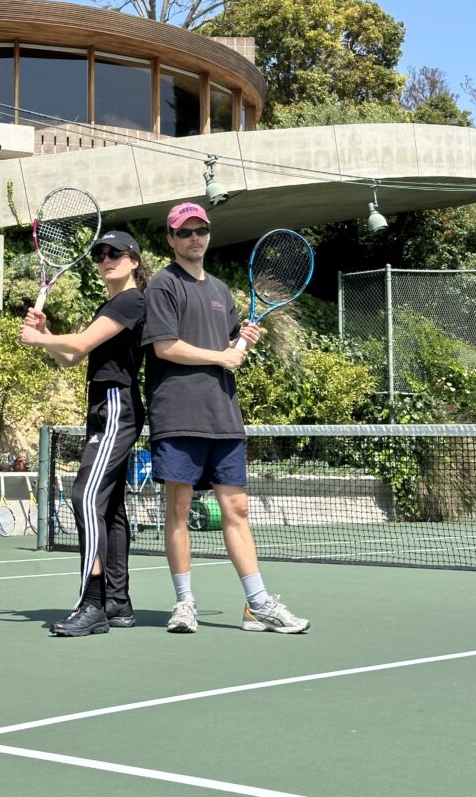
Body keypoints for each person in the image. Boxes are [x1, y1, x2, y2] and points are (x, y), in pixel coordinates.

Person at [142, 202, 311, 635]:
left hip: (223, 414)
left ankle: (257, 605)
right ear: (171, 239)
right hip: (178, 414)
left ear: (209, 235)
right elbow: (165, 347)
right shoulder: (163, 285)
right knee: (178, 508)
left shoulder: (220, 290)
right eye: (185, 232)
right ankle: (184, 604)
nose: (194, 238)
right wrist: (221, 353)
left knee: (236, 507)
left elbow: (228, 348)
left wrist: (242, 340)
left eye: (201, 230)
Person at [19, 230, 148, 637]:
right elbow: (73, 356)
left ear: (133, 261)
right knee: (108, 508)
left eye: (115, 253)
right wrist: (46, 336)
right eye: (99, 254)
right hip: (103, 406)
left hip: (116, 405)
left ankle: (91, 603)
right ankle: (117, 602)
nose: (105, 258)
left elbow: (83, 341)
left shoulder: (131, 300)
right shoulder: (108, 304)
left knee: (85, 495)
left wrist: (40, 336)